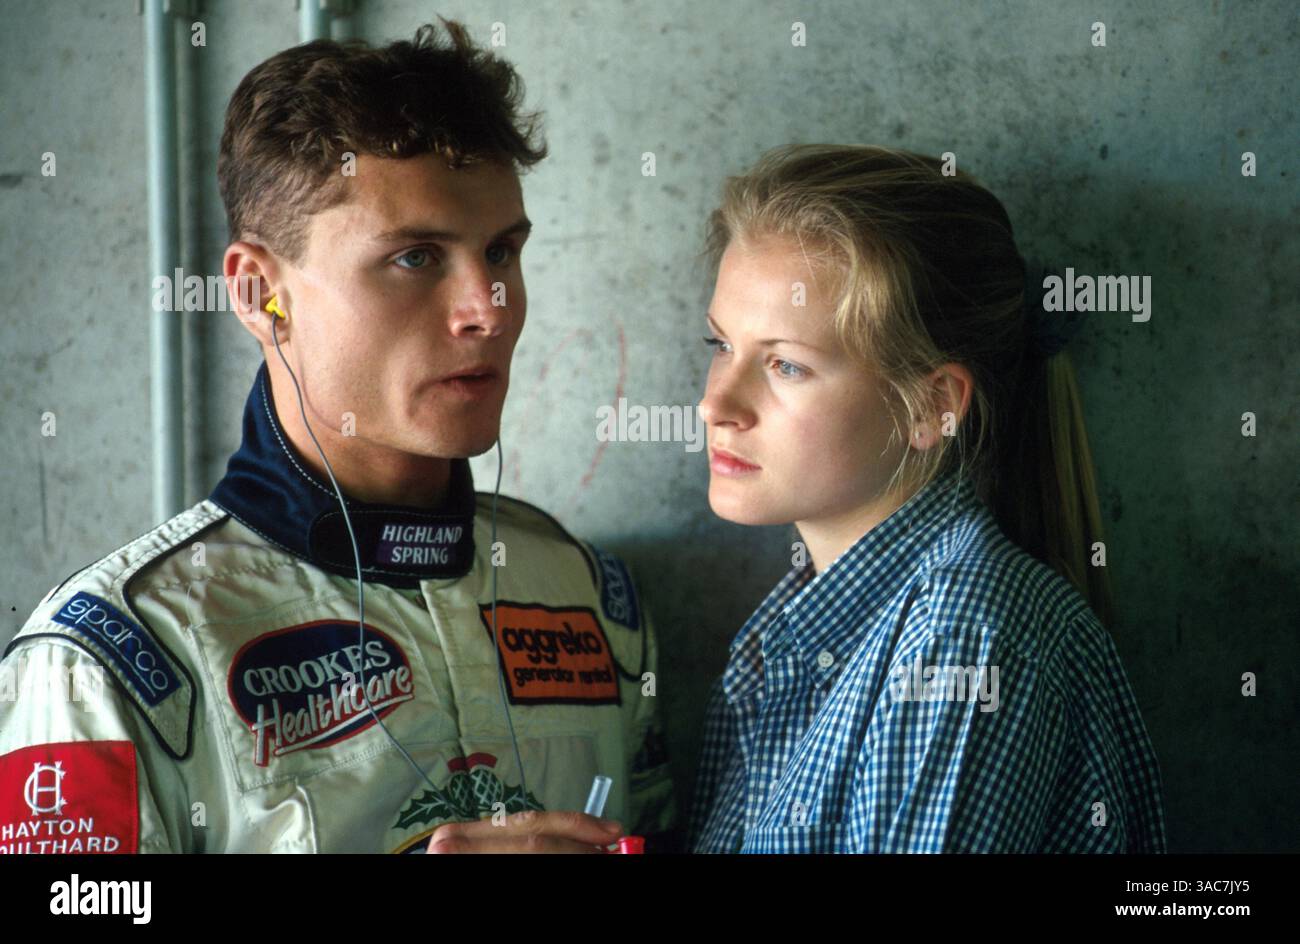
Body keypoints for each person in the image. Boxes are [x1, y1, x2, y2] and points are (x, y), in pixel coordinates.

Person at [0, 20, 675, 854]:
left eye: (501, 251)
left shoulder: (589, 595)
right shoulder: (111, 657)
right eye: (417, 258)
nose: (488, 309)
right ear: (258, 294)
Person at [687, 144, 1166, 853]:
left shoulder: (959, 645)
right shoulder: (793, 634)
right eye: (721, 344)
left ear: (931, 406)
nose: (714, 404)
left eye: (786, 364)